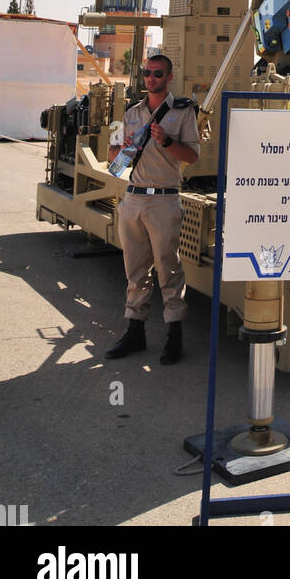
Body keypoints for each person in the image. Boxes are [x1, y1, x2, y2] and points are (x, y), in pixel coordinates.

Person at [105, 54, 200, 364]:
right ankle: (135, 333)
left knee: (168, 270)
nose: (151, 78)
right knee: (134, 271)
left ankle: (174, 337)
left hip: (163, 199)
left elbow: (192, 156)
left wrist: (167, 140)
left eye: (157, 73)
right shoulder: (129, 113)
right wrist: (122, 147)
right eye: (147, 72)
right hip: (133, 199)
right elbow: (113, 161)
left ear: (169, 77)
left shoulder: (183, 111)